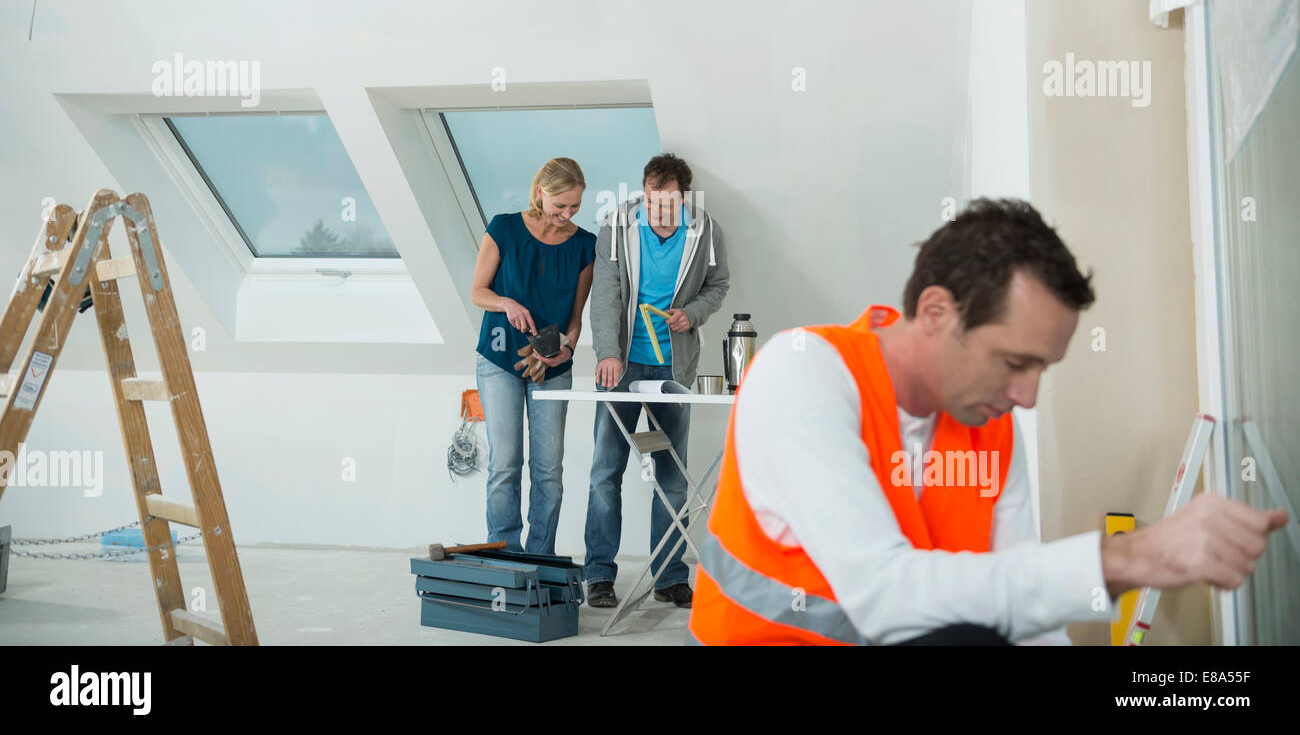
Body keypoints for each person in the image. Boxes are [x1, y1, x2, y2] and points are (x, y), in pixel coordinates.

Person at [688, 198, 1289, 645]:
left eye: (1042, 370)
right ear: (936, 312)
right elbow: (886, 596)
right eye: (1014, 363)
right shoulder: (801, 374)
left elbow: (1021, 613)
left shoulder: (989, 425)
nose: (1027, 397)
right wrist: (1127, 558)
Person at [585, 153, 730, 608]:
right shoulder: (617, 225)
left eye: (667, 202)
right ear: (644, 191)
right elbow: (605, 293)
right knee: (606, 471)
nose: (657, 210)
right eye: (651, 199)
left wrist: (693, 314)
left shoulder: (706, 231)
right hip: (622, 367)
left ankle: (669, 576)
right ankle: (599, 577)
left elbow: (718, 284)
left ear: (684, 198)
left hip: (674, 370)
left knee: (672, 476)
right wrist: (608, 352)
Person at [469, 157, 596, 555]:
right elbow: (478, 291)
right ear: (541, 191)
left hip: (552, 368)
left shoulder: (585, 246)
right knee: (505, 464)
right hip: (499, 360)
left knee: (548, 471)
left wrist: (568, 348)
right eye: (561, 205)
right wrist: (506, 303)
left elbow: (576, 318)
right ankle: (504, 557)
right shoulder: (503, 228)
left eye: (574, 206)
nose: (566, 214)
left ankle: (541, 560)